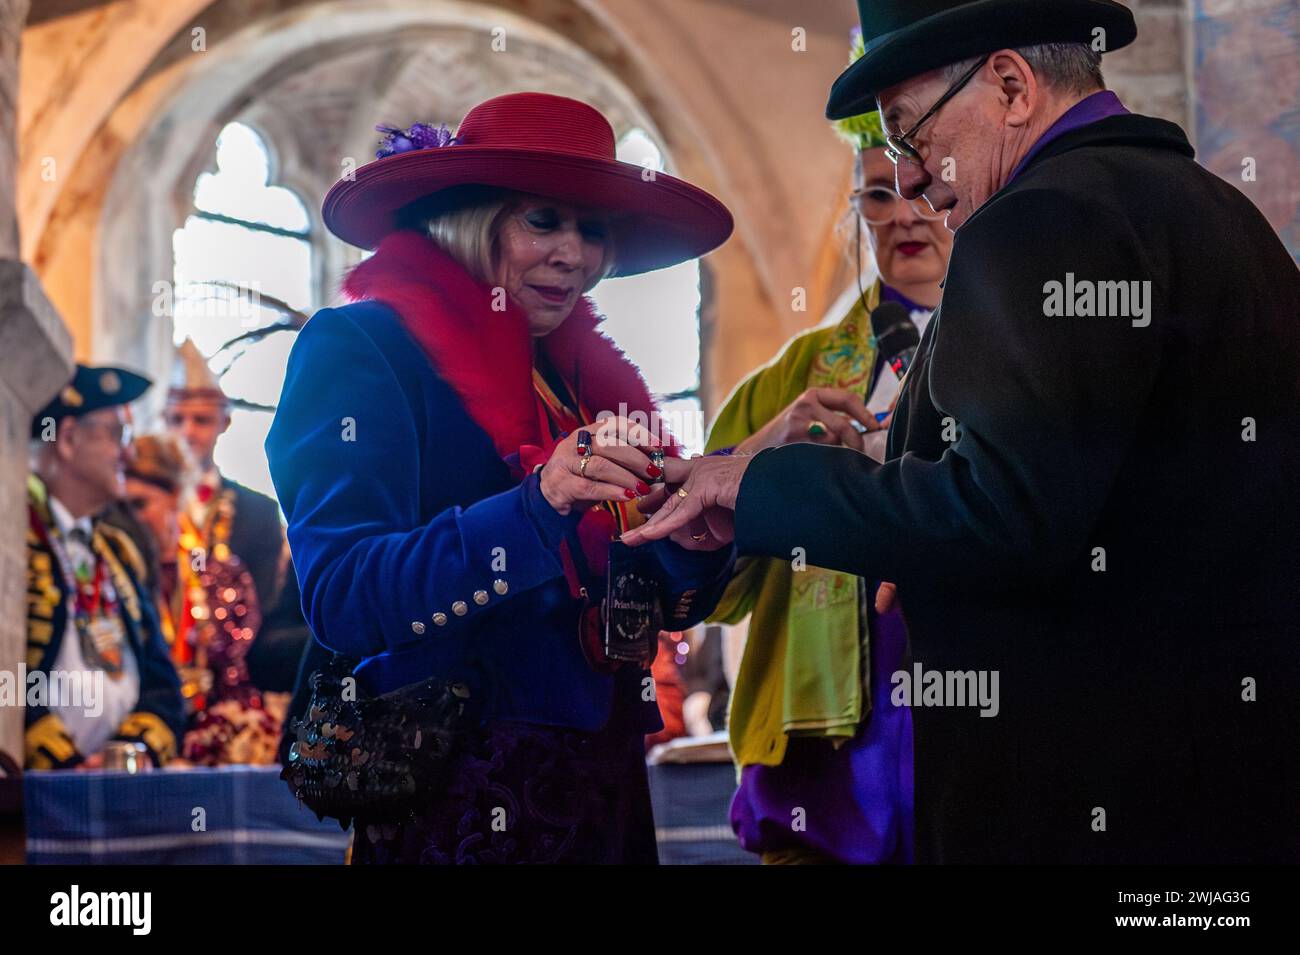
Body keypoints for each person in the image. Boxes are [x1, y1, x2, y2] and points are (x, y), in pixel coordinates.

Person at [623, 0, 1300, 863]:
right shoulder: (1219, 214)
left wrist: (757, 480)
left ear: (1012, 86)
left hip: (1087, 794)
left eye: (909, 133)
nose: (914, 178)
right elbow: (1091, 484)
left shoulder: (1037, 219)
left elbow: (1002, 517)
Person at [265, 92, 737, 864]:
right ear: (470, 219)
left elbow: (651, 602)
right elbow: (342, 598)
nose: (575, 255)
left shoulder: (578, 380)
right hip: (453, 800)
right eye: (543, 220)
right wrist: (538, 502)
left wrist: (691, 535)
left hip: (604, 791)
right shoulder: (360, 346)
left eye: (592, 229)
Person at [704, 27, 953, 864]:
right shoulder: (786, 382)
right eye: (875, 196)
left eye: (916, 188)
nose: (901, 216)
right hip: (826, 756)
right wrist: (762, 465)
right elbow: (707, 587)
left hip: (980, 724)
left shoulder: (1026, 354)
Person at [25, 365, 185, 770]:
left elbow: (163, 688)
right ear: (67, 439)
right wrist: (67, 765)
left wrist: (133, 752)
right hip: (35, 796)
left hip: (117, 786)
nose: (128, 454)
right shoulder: (16, 540)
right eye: (117, 435)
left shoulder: (118, 551)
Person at [122, 434, 280, 765]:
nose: (129, 518)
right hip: (137, 738)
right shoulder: (112, 576)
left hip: (210, 744)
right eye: (119, 508)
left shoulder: (222, 577)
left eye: (139, 504)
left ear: (175, 496)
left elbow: (234, 680)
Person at [164, 339, 309, 692]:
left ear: (224, 422)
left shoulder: (258, 511)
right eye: (177, 419)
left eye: (201, 420)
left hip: (236, 681)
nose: (188, 431)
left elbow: (262, 610)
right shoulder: (146, 503)